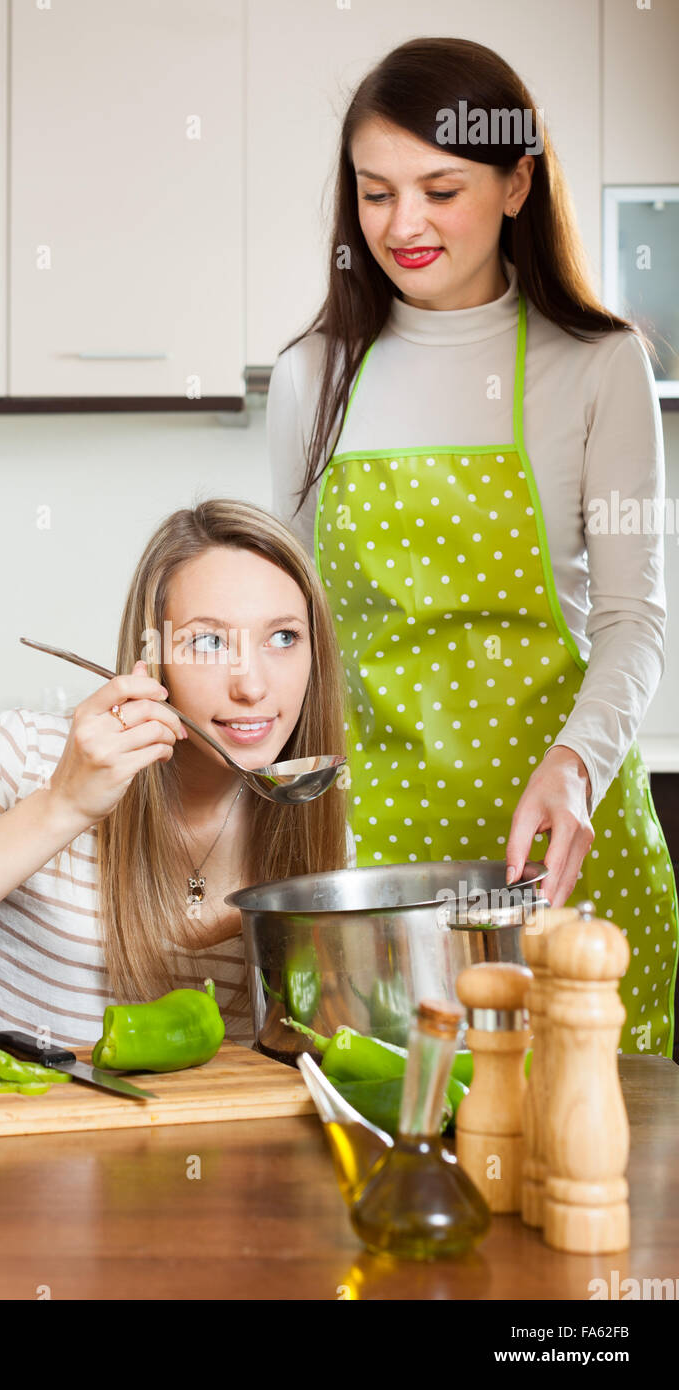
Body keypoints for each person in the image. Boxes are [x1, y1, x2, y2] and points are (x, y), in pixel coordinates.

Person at [266, 36, 677, 1056]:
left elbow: (633, 621)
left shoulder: (598, 363)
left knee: (581, 1169)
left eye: (438, 188)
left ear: (514, 184)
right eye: (373, 193)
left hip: (564, 857)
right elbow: (288, 629)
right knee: (393, 1167)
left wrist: (577, 768)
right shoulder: (309, 376)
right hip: (377, 868)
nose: (401, 224)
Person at [0, 500, 352, 1046]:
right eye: (208, 641)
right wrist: (62, 806)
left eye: (283, 637)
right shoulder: (25, 756)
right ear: (152, 658)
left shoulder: (312, 815)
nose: (252, 686)